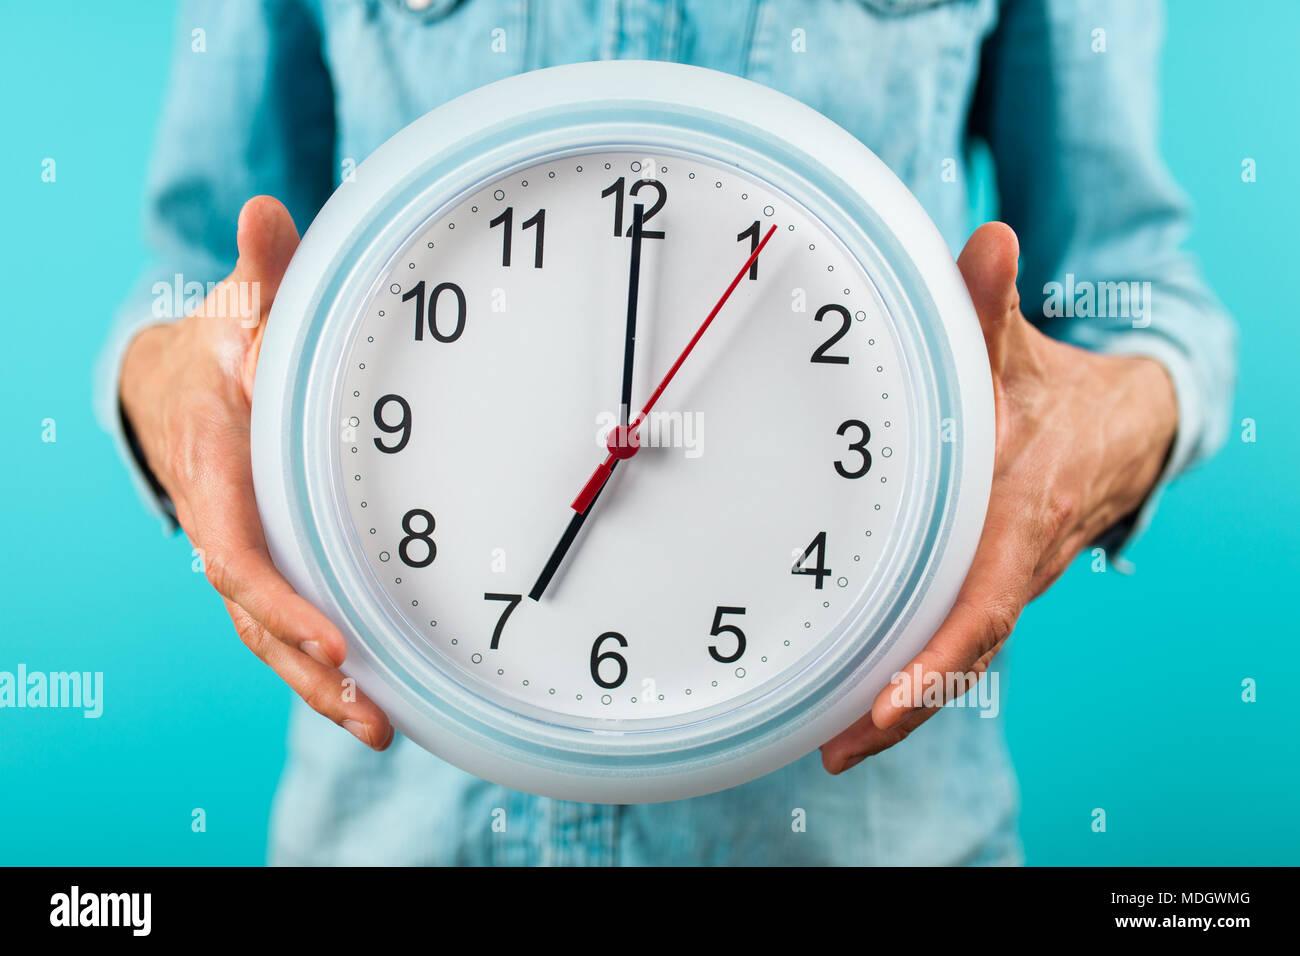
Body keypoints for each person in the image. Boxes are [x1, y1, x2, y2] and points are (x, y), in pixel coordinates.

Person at [99, 0, 1235, 865]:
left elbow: (1136, 288)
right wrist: (176, 383)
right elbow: (195, 281)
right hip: (394, 823)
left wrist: (1098, 427)